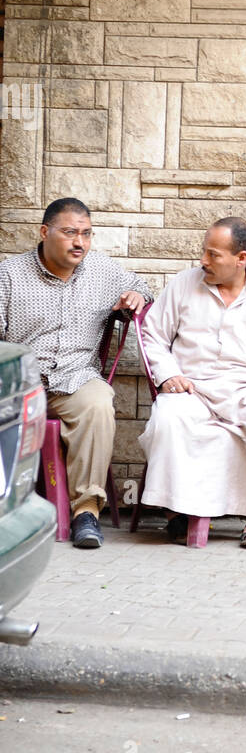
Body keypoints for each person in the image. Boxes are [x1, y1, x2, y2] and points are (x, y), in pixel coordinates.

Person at [138, 217, 246, 548]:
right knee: (168, 419)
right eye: (204, 252)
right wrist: (168, 373)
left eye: (214, 255)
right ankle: (176, 514)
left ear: (241, 259)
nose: (203, 261)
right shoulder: (182, 285)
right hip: (194, 392)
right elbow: (152, 336)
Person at [0, 197, 152, 548]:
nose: (79, 242)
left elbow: (143, 289)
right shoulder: (9, 275)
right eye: (69, 233)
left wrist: (135, 296)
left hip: (76, 377)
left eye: (86, 234)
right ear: (44, 232)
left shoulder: (102, 270)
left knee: (98, 403)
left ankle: (86, 512)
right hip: (21, 383)